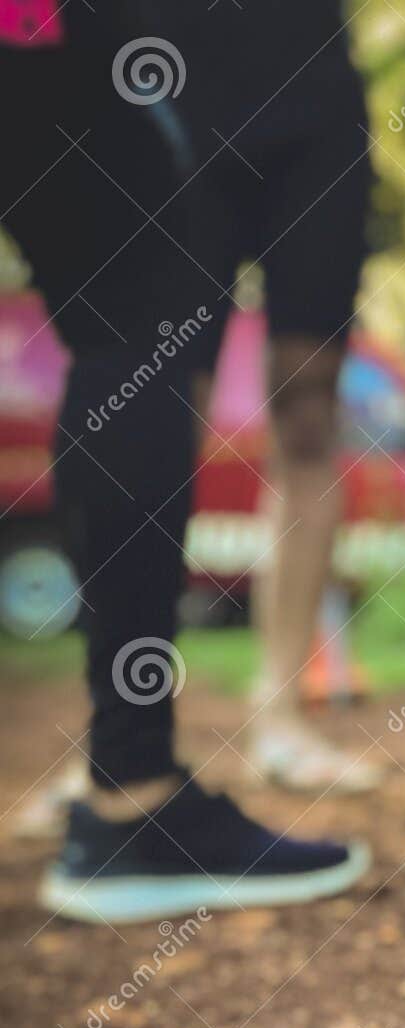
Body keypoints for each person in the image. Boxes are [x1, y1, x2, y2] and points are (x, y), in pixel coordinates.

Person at [0, 1, 368, 922]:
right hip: (76, 50)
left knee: (131, 339)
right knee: (139, 338)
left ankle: (140, 775)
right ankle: (129, 787)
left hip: (257, 81)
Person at [163, 0, 383, 793]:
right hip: (171, 101)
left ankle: (282, 717)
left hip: (314, 105)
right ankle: (119, 733)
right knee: (159, 411)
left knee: (309, 409)